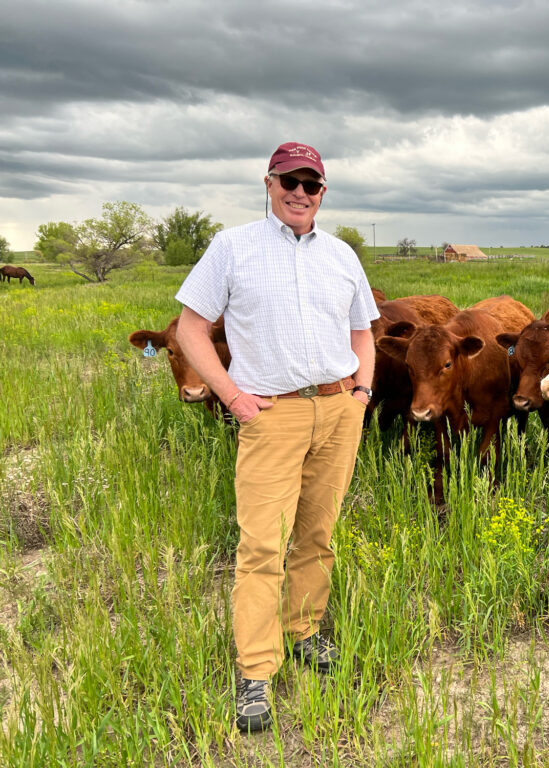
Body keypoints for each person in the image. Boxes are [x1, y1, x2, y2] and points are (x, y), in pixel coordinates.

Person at [175, 141, 378, 733]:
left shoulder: (341, 255)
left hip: (338, 409)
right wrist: (232, 395)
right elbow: (190, 329)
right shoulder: (233, 247)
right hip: (272, 415)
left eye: (310, 183)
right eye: (288, 180)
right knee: (262, 545)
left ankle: (305, 630)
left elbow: (362, 330)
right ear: (268, 184)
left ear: (323, 193)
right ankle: (256, 672)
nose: (299, 192)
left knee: (318, 533)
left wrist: (362, 395)